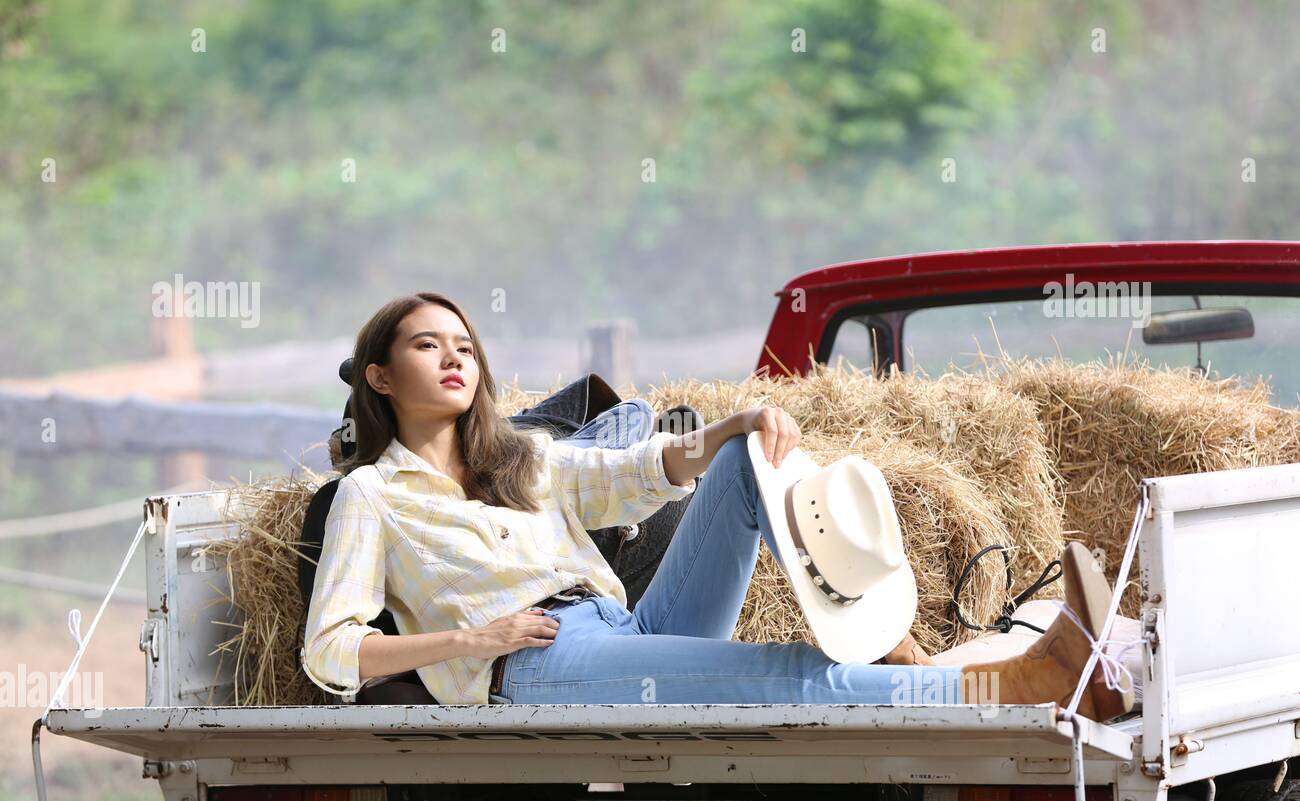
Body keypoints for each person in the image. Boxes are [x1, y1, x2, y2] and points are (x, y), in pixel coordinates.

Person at [302, 292, 1135, 721]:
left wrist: (734, 426)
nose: (455, 358)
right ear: (381, 376)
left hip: (624, 629)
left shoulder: (518, 458)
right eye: (427, 345)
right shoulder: (370, 496)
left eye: (464, 346)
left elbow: (637, 471)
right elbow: (331, 650)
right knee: (787, 673)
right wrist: (471, 641)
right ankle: (1022, 688)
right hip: (536, 666)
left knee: (742, 462)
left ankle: (894, 646)